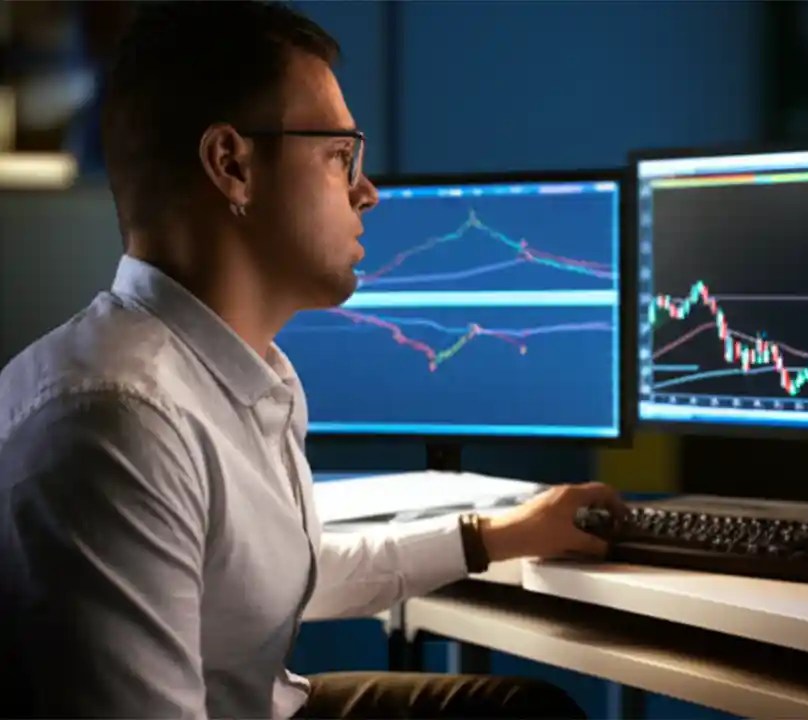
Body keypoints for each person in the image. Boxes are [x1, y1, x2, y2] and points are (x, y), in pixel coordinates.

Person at [0, 2, 626, 718]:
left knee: (519, 710)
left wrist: (494, 536)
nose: (367, 191)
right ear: (232, 165)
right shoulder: (117, 422)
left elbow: (271, 575)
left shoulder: (242, 372)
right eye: (338, 156)